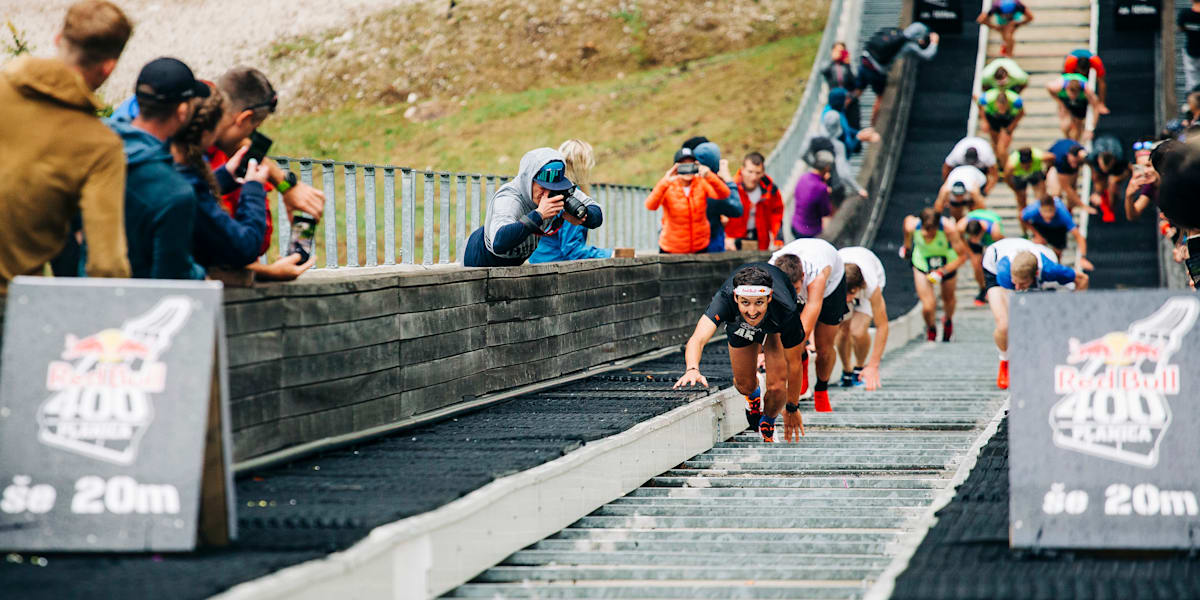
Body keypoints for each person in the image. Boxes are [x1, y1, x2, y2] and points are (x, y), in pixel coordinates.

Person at [116, 66, 326, 280]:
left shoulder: (132, 133)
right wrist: (254, 188)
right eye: (251, 131)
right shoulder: (177, 189)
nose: (247, 141)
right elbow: (239, 246)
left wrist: (227, 177)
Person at [0, 0, 133, 294]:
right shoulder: (100, 147)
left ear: (58, 39)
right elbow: (106, 266)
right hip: (8, 302)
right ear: (108, 68)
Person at [674, 263, 806, 443]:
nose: (752, 312)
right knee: (744, 385)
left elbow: (795, 364)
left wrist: (792, 407)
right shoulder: (724, 299)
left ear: (769, 297)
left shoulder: (786, 311)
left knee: (777, 388)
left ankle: (767, 422)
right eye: (745, 302)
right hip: (740, 324)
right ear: (736, 297)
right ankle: (753, 395)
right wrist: (692, 369)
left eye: (759, 302)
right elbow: (697, 338)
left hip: (774, 327)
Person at [107, 58, 211, 280]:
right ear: (182, 110)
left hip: (77, 299)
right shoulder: (174, 193)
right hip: (136, 307)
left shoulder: (92, 150)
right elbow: (172, 279)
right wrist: (201, 273)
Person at [172, 83, 271, 270]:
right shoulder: (188, 191)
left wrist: (224, 177)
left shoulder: (160, 164)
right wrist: (254, 189)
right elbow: (244, 247)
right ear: (207, 133)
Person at [464, 147, 602, 267]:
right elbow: (499, 242)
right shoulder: (509, 198)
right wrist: (539, 215)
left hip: (514, 264)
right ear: (528, 180)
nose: (547, 194)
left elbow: (597, 214)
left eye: (554, 188)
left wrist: (581, 215)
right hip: (479, 259)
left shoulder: (558, 191)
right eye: (543, 187)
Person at [983, 238, 1089, 389]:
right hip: (994, 266)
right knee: (1004, 325)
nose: (1018, 287)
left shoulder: (1050, 271)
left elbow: (1083, 279)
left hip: (1039, 260)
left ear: (1035, 275)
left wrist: (1075, 312)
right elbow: (1015, 305)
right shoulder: (1005, 275)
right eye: (1016, 283)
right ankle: (1005, 361)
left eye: (1023, 284)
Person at [770, 238, 848, 413]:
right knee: (785, 338)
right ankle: (802, 361)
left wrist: (786, 352)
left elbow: (804, 330)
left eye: (796, 290)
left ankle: (821, 390)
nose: (792, 296)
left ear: (803, 278)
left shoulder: (817, 276)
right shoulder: (769, 273)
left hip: (831, 286)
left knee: (824, 345)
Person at [530, 140, 612, 263]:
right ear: (583, 168)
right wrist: (611, 254)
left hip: (537, 262)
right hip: (555, 268)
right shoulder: (571, 197)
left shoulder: (548, 190)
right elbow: (572, 250)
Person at [643, 147, 730, 254]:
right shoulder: (668, 186)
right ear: (675, 167)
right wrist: (665, 181)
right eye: (683, 165)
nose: (688, 169)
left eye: (691, 164)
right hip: (671, 249)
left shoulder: (701, 183)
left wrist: (709, 175)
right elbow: (650, 205)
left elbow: (724, 193)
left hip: (700, 247)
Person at [901, 208, 970, 342]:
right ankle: (931, 327)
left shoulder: (949, 230)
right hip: (922, 263)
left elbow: (962, 257)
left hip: (946, 263)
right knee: (928, 305)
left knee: (948, 298)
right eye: (925, 231)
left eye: (931, 232)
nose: (927, 235)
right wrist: (907, 247)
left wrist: (942, 271)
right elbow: (906, 225)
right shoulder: (911, 225)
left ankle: (948, 321)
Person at [858, 23, 940, 126]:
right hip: (877, 70)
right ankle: (872, 126)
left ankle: (843, 108)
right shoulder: (909, 45)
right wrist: (934, 43)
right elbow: (928, 55)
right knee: (880, 97)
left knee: (857, 90)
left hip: (866, 59)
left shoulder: (895, 32)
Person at [835, 246, 888, 390]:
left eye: (851, 294)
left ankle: (859, 367)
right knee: (843, 328)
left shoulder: (871, 286)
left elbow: (882, 325)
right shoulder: (832, 280)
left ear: (859, 287)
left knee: (857, 331)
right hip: (842, 278)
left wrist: (873, 365)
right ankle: (847, 370)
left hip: (871, 268)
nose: (848, 299)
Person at [681, 137, 742, 253]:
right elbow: (737, 208)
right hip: (709, 247)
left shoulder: (681, 184)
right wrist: (728, 179)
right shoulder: (712, 191)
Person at [724, 152, 784, 251]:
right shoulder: (731, 188)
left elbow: (777, 214)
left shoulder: (770, 189)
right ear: (742, 169)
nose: (753, 177)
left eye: (758, 173)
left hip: (760, 240)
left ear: (763, 172)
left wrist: (778, 239)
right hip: (733, 241)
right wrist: (725, 237)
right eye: (750, 172)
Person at [1020, 195, 1094, 271]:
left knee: (1058, 252)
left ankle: (1057, 267)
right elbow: (1022, 218)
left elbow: (1079, 236)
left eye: (1050, 211)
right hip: (1041, 226)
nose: (1048, 215)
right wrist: (1037, 234)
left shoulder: (1063, 214)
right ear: (1040, 209)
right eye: (1045, 211)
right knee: (1037, 244)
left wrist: (1083, 258)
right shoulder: (1033, 210)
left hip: (1058, 228)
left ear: (1055, 208)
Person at [957, 208, 1005, 306]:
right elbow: (960, 239)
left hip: (992, 239)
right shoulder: (960, 227)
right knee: (976, 264)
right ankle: (983, 288)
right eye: (972, 238)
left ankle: (995, 286)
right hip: (976, 233)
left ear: (981, 231)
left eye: (976, 238)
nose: (974, 240)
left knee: (993, 264)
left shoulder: (995, 231)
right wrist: (970, 253)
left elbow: (1002, 246)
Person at [821, 87, 880, 159]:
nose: (848, 101)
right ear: (839, 101)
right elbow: (847, 149)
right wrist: (859, 137)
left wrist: (859, 132)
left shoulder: (835, 108)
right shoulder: (834, 121)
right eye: (846, 99)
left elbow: (846, 129)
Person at [1046, 73, 1106, 141]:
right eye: (1071, 95)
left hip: (1081, 102)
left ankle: (1076, 141)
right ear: (1067, 89)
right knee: (1065, 125)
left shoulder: (1087, 91)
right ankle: (1068, 139)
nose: (1073, 97)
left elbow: (1096, 108)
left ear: (1079, 92)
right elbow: (1048, 87)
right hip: (1065, 99)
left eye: (1075, 95)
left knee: (1078, 123)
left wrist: (1090, 129)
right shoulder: (1057, 86)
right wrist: (1059, 102)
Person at [1004, 147, 1049, 236]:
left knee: (1041, 199)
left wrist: (1046, 173)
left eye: (1028, 164)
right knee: (1022, 204)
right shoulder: (1011, 165)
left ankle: (1041, 228)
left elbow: (1052, 157)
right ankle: (1025, 232)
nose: (1026, 167)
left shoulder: (1039, 157)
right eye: (1024, 165)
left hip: (1035, 172)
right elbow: (1006, 177)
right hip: (1019, 176)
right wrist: (1014, 188)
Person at [791, 151, 835, 239]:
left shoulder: (803, 177)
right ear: (826, 168)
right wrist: (826, 189)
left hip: (795, 225)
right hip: (810, 231)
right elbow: (825, 212)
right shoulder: (821, 188)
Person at [977, 88, 1024, 169]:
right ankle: (999, 164)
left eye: (1003, 108)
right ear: (995, 103)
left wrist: (1011, 127)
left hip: (1008, 119)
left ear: (1007, 104)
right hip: (993, 118)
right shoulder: (987, 99)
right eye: (999, 108)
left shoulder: (1016, 101)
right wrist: (984, 121)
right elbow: (979, 104)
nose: (1001, 110)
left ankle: (1006, 168)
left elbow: (1022, 113)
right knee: (995, 145)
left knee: (1001, 148)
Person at [1086, 134, 1128, 223]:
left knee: (1112, 183)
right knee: (1098, 180)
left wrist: (1117, 179)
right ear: (1099, 160)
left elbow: (1129, 170)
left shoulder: (1120, 157)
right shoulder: (1093, 157)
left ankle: (1110, 207)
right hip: (1099, 170)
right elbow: (1087, 163)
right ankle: (1104, 202)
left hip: (1116, 170)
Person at [821, 41, 862, 131]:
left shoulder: (848, 65)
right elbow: (823, 71)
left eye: (842, 51)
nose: (839, 53)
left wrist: (847, 64)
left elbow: (854, 83)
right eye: (837, 50)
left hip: (849, 101)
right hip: (836, 102)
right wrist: (833, 60)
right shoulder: (829, 65)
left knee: (853, 125)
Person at [1047, 138, 1090, 213]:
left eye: (1076, 162)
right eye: (1073, 161)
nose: (1074, 164)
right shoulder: (1060, 158)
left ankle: (1069, 213)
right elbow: (1066, 187)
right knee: (1056, 193)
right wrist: (1084, 206)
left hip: (1069, 163)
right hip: (1055, 165)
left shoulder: (1083, 156)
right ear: (1068, 155)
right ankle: (1057, 213)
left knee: (1072, 195)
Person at [1125, 140, 1160, 221]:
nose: (1145, 172)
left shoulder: (1172, 180)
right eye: (1141, 168)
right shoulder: (1150, 186)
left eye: (1148, 166)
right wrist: (1129, 196)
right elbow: (1132, 216)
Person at [1182, 2, 1200, 93]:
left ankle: (1193, 103)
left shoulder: (1185, 14)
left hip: (1191, 51)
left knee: (1192, 83)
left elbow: (1180, 27)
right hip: (1191, 52)